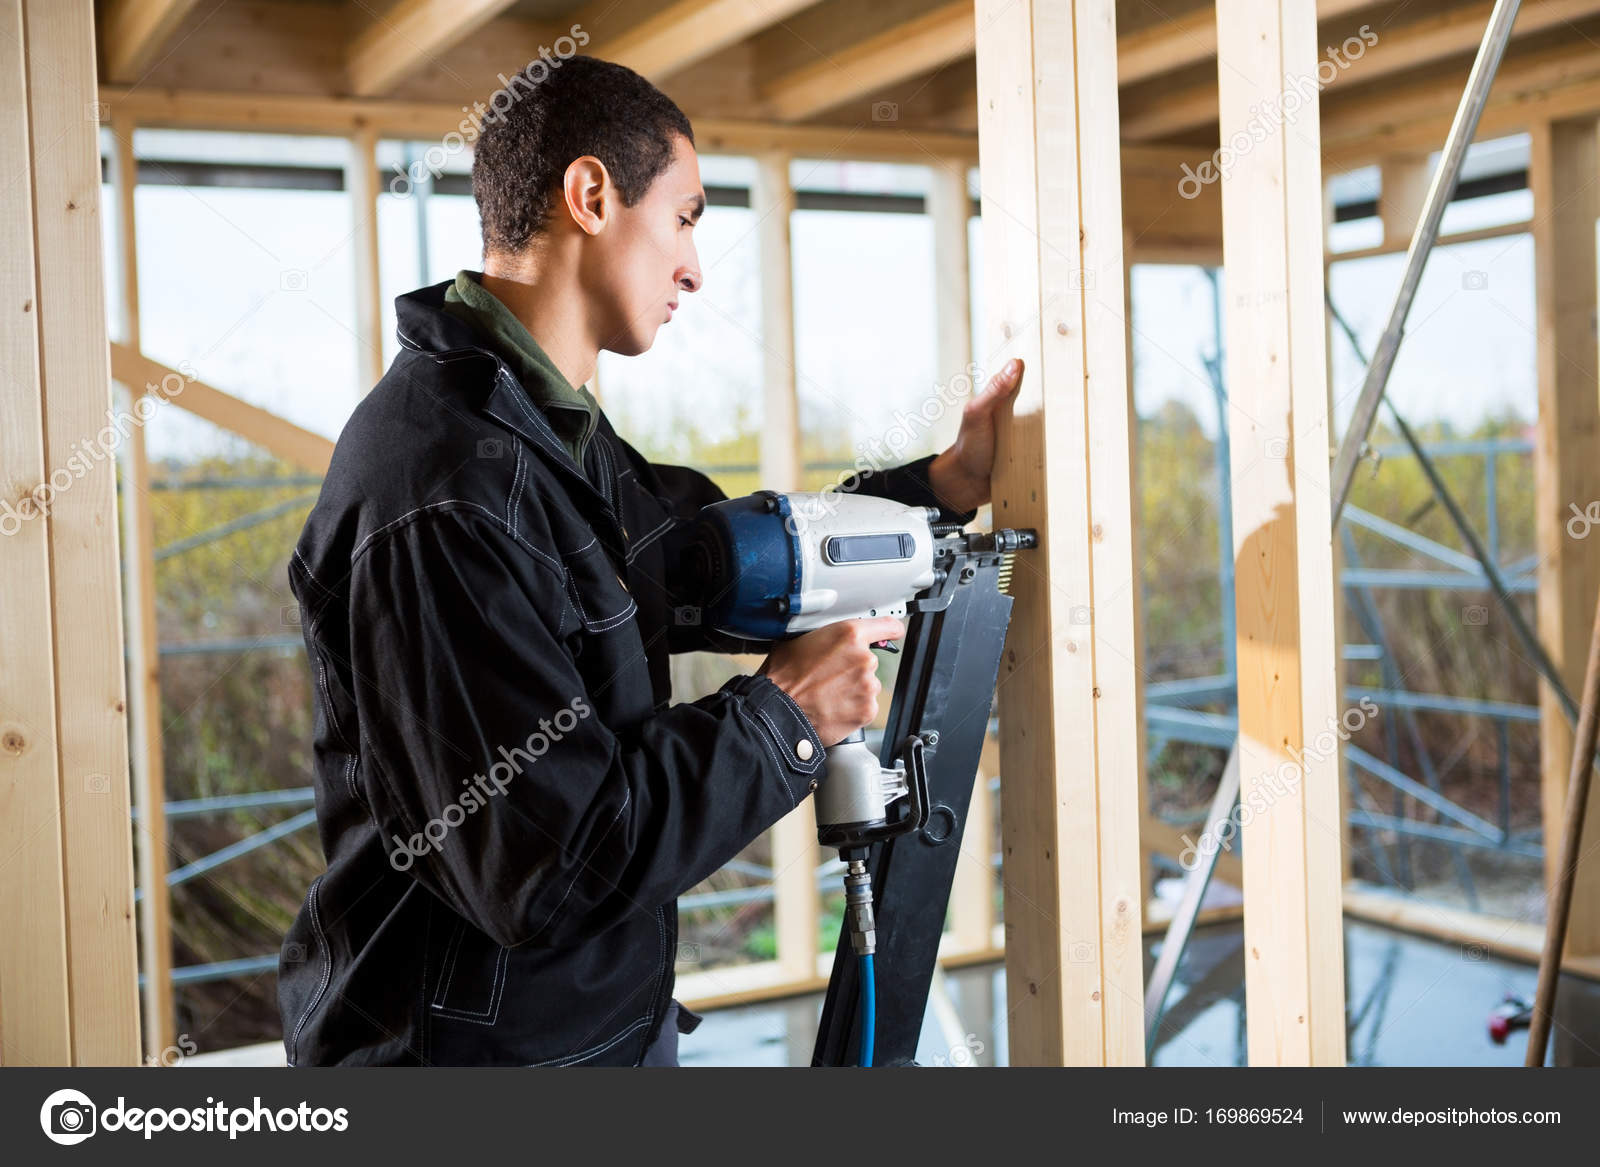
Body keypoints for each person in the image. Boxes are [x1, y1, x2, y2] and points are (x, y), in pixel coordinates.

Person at [278, 54, 1023, 1067]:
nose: (695, 267)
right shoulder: (444, 488)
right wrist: (784, 720)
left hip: (599, 1031)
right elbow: (548, 868)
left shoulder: (545, 432)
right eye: (684, 217)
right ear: (591, 196)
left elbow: (713, 561)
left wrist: (938, 488)